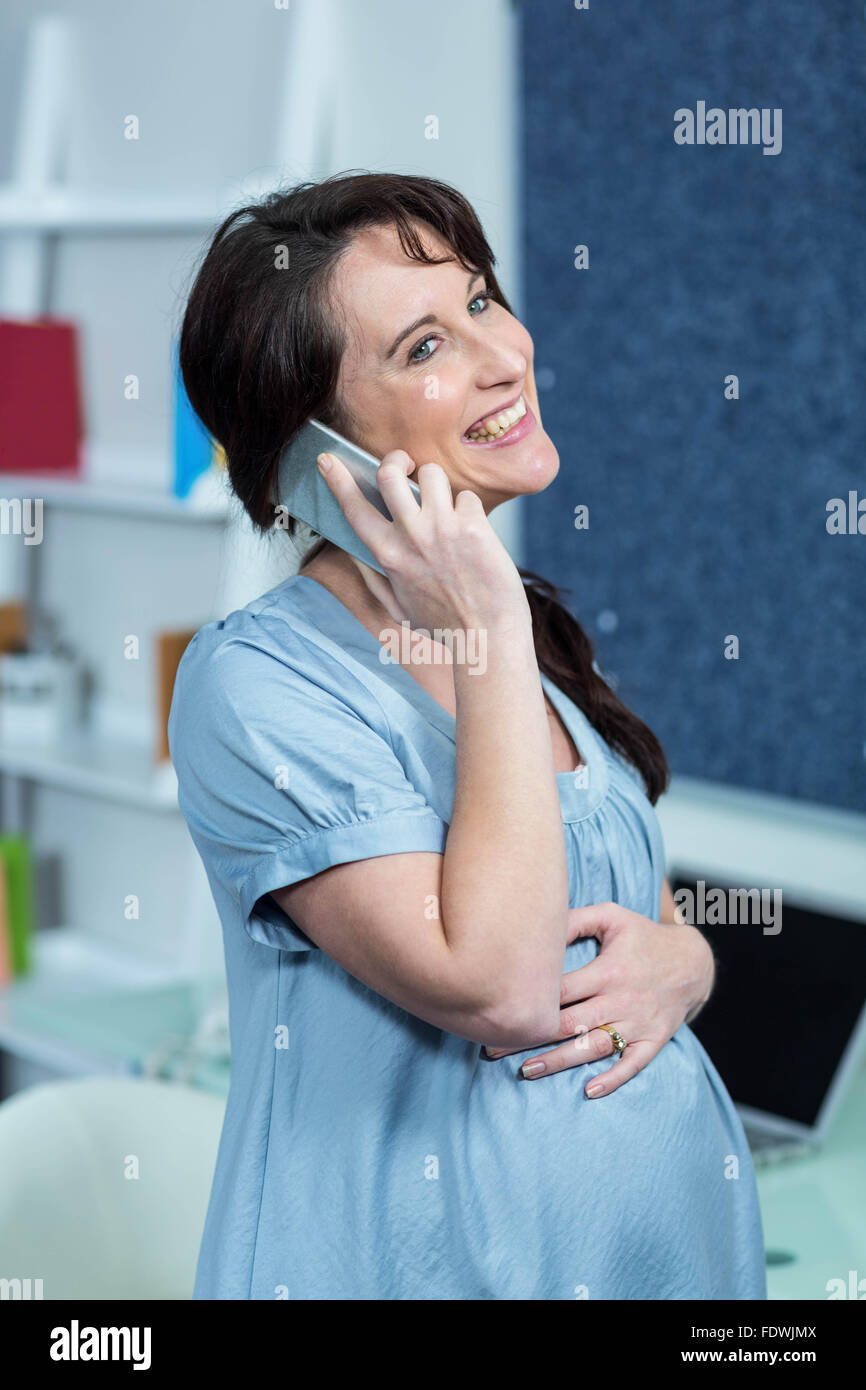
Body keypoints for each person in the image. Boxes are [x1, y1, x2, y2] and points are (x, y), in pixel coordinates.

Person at [169, 170, 767, 1300]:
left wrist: (685, 965)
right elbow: (495, 982)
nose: (503, 357)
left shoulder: (520, 636)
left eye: (482, 299)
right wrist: (486, 624)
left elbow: (611, 891)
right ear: (314, 456)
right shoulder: (254, 685)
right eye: (423, 347)